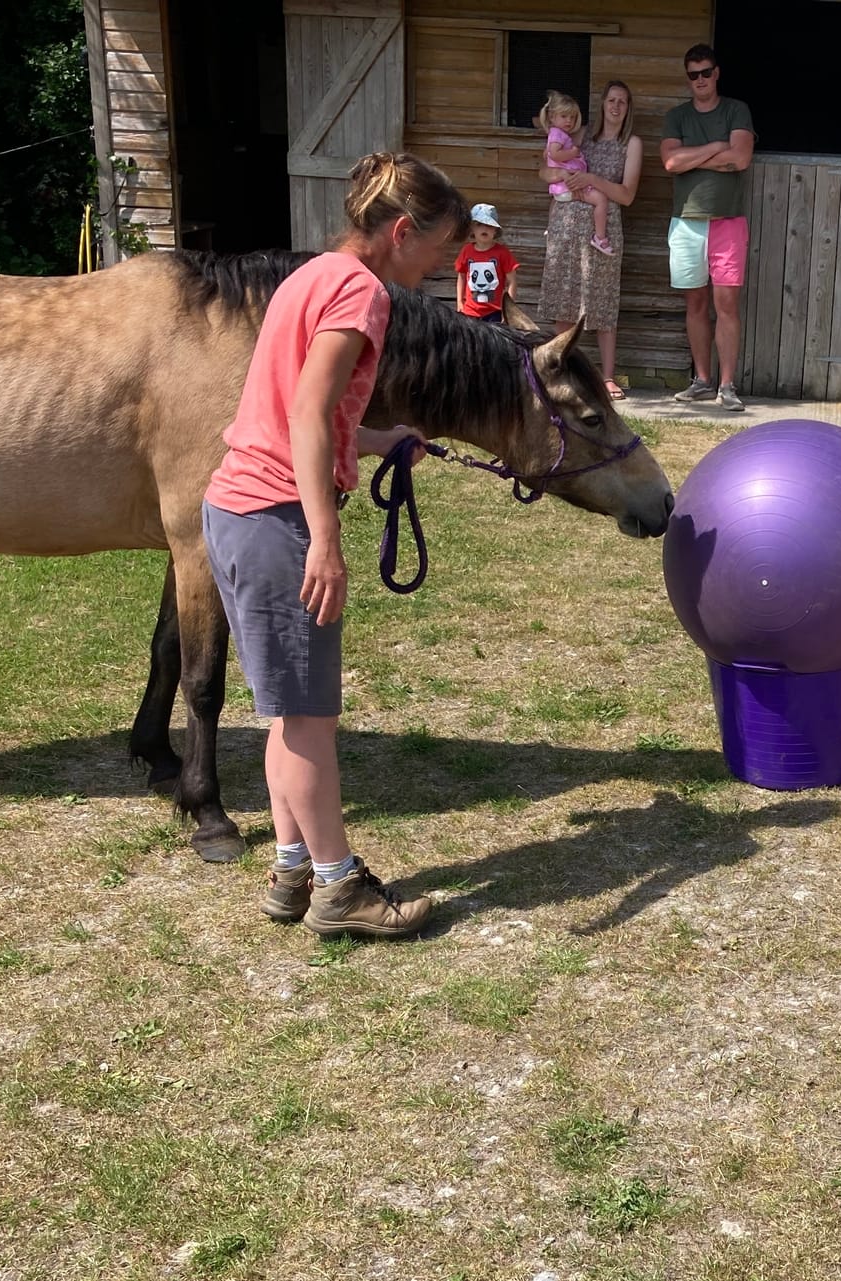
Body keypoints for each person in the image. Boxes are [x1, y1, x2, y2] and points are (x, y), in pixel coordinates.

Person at [201, 152, 468, 937]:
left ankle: (292, 870)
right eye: (438, 247)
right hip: (277, 517)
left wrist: (382, 437)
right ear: (398, 232)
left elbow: (299, 401)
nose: (442, 265)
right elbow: (308, 416)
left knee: (287, 716)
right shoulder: (361, 293)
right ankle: (338, 886)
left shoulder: (313, 275)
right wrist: (323, 538)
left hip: (236, 509)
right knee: (310, 719)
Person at [660, 44, 753, 413]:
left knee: (726, 303)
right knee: (695, 302)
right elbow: (670, 162)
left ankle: (727, 386)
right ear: (688, 78)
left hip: (727, 220)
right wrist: (717, 148)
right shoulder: (677, 116)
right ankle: (702, 381)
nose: (700, 79)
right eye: (693, 74)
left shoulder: (736, 109)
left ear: (716, 73)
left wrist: (692, 157)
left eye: (705, 72)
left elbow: (741, 158)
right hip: (686, 221)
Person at [538, 79, 644, 400]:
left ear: (628, 109)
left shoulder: (632, 144)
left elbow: (626, 195)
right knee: (565, 297)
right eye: (612, 100)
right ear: (602, 104)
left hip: (604, 230)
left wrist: (592, 179)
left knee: (603, 302)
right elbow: (545, 168)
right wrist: (559, 177)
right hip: (567, 225)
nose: (615, 107)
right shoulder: (582, 137)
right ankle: (560, 371)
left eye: (622, 102)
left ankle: (608, 377)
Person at [537, 92, 615, 256]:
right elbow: (554, 155)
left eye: (572, 117)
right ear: (552, 117)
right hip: (568, 186)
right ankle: (600, 238)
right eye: (564, 116)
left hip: (564, 187)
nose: (569, 121)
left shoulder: (558, 135)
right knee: (601, 199)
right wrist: (573, 153)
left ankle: (550, 228)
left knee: (555, 201)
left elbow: (549, 154)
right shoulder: (558, 135)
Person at [454, 202, 519, 323]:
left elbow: (512, 281)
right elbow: (461, 277)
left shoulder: (502, 253)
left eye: (489, 225)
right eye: (479, 224)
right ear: (472, 228)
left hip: (495, 312)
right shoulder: (466, 251)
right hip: (470, 311)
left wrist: (509, 311)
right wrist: (459, 302)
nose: (484, 229)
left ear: (495, 230)